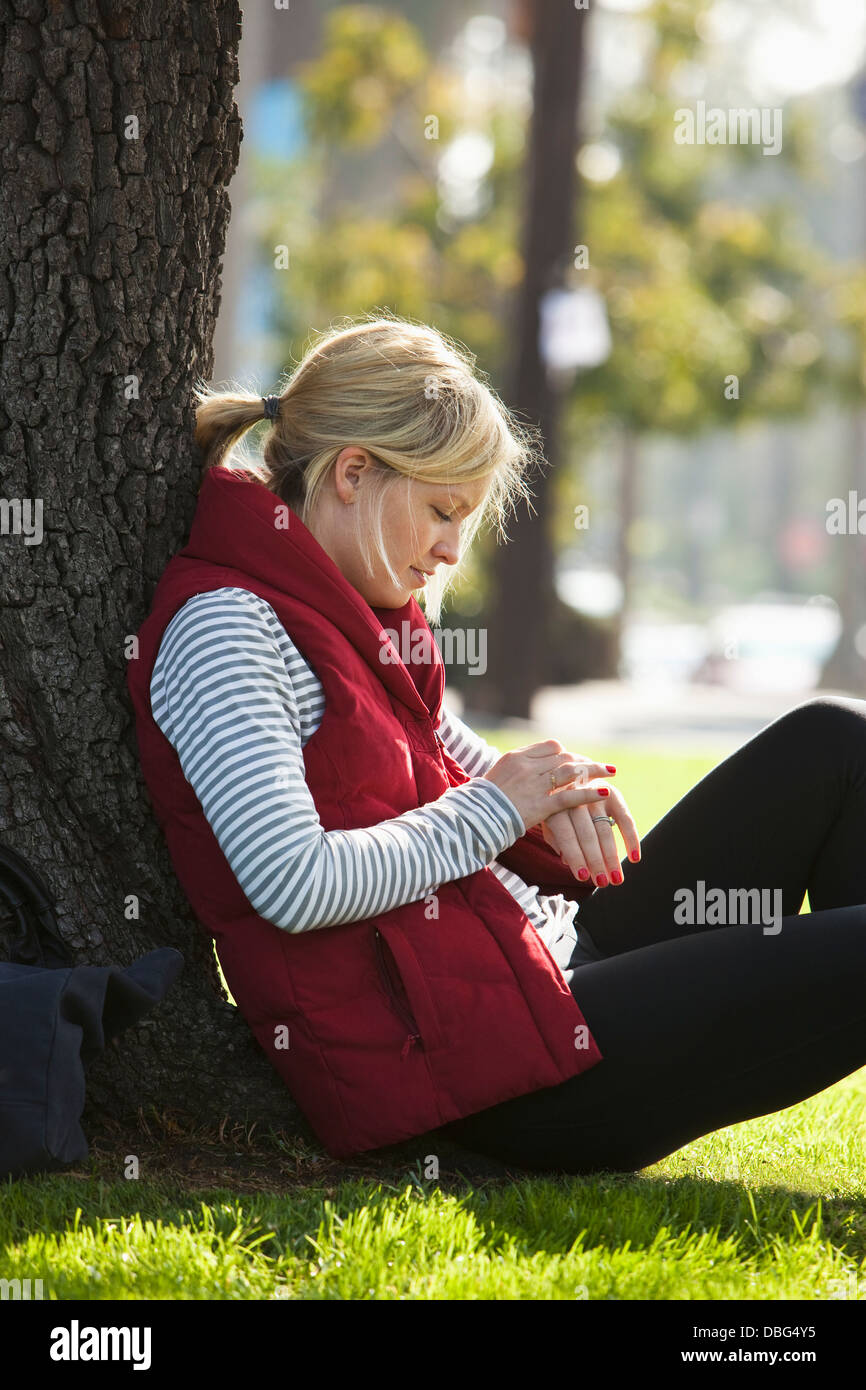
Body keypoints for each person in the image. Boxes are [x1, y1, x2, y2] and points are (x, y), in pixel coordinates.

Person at [127, 313, 866, 1175]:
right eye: (443, 512)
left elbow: (468, 766)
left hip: (538, 969)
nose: (449, 552)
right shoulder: (227, 630)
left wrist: (559, 796)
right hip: (498, 1075)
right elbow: (293, 883)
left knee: (836, 743)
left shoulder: (353, 613)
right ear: (353, 473)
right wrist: (499, 807)